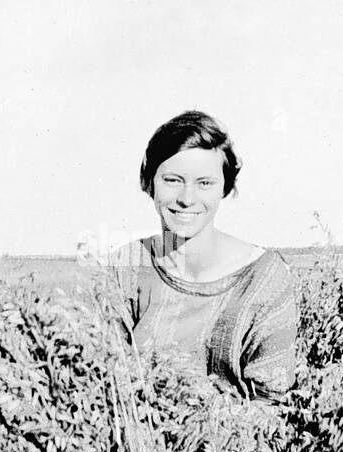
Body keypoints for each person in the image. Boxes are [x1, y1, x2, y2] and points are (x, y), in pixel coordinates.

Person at [110, 111, 298, 401]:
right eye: (172, 180)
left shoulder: (264, 279)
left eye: (204, 183)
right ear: (149, 183)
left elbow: (271, 405)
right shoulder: (127, 266)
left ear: (225, 187)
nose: (187, 198)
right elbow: (103, 377)